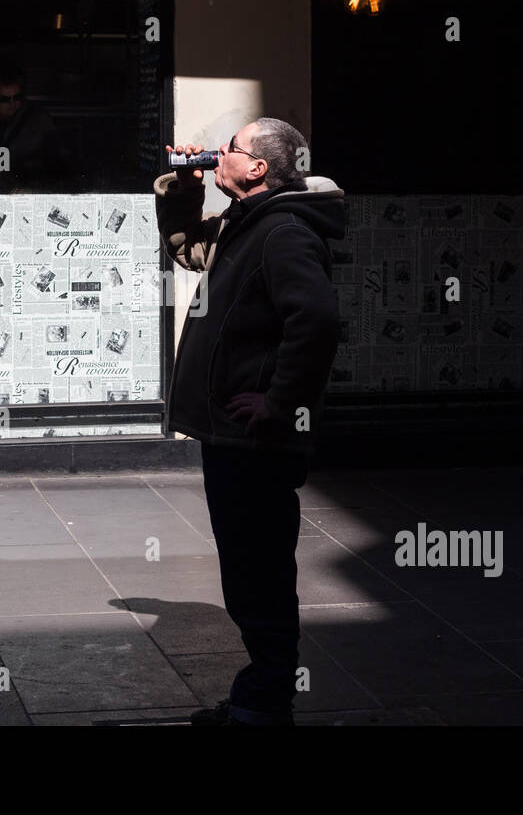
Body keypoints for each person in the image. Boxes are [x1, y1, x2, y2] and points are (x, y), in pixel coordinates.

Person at [154, 117, 345, 726]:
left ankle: (264, 704)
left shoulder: (283, 232)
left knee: (257, 574)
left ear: (257, 167)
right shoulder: (249, 224)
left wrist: (278, 401)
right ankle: (261, 697)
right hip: (233, 436)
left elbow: (315, 321)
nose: (219, 152)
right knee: (249, 570)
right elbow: (189, 249)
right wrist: (186, 185)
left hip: (255, 438)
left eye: (229, 147)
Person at [0, 59, 67, 193]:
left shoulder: (38, 119)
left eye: (17, 97)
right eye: (4, 99)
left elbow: (56, 162)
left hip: (26, 193)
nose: (12, 103)